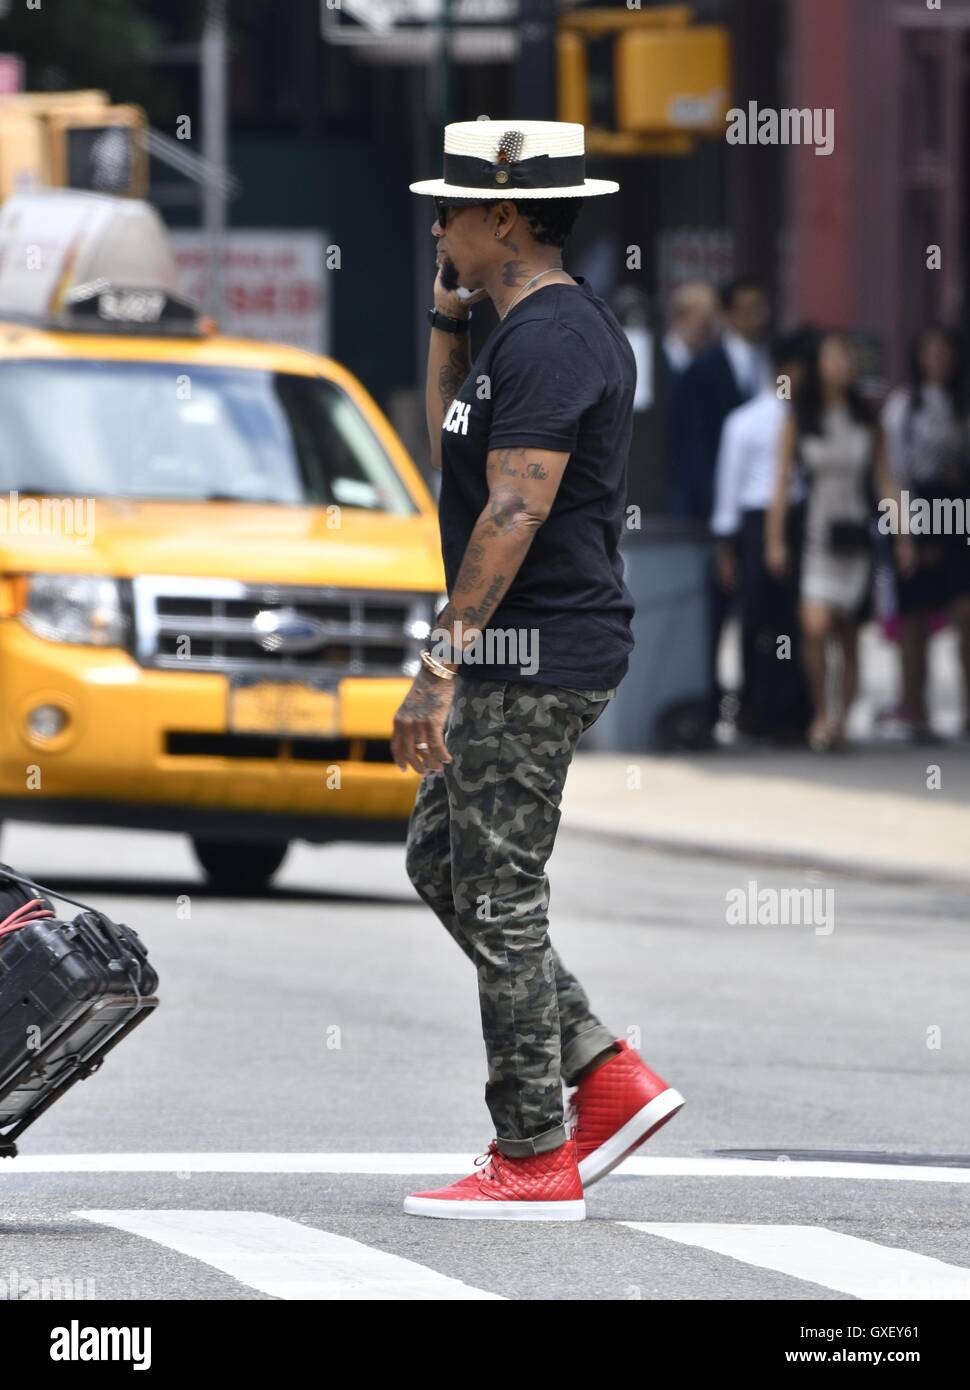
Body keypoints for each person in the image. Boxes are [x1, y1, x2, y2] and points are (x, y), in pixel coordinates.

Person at [397, 119, 685, 1220]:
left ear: (503, 215)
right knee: (442, 859)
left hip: (540, 648)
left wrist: (439, 663)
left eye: (450, 210)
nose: (437, 224)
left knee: (500, 889)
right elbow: (454, 455)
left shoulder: (559, 337)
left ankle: (533, 1152)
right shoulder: (508, 335)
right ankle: (606, 1072)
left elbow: (513, 508)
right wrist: (444, 314)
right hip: (519, 648)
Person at [766, 332, 913, 751]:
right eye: (833, 357)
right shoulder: (799, 418)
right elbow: (780, 483)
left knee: (849, 634)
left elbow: (884, 479)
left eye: (847, 357)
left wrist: (902, 533)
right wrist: (774, 540)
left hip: (856, 530)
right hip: (815, 530)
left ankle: (842, 720)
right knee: (814, 625)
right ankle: (820, 711)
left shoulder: (869, 419)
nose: (841, 365)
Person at [675, 277, 773, 728]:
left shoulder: (771, 364)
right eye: (748, 307)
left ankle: (757, 705)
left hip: (765, 508)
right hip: (718, 511)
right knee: (715, 614)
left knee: (761, 613)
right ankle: (712, 707)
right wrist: (715, 519)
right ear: (730, 315)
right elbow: (695, 449)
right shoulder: (704, 369)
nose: (759, 316)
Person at [710, 328, 816, 740]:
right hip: (755, 524)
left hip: (800, 519)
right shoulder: (747, 421)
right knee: (756, 622)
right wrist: (727, 548)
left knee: (793, 620)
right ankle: (756, 708)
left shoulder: (809, 419)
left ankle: (794, 711)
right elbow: (729, 487)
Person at [881, 326, 970, 740]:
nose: (937, 359)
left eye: (944, 351)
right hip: (918, 508)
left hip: (960, 510)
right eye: (929, 350)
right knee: (914, 615)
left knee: (964, 609)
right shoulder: (904, 406)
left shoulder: (961, 403)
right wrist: (903, 534)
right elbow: (894, 474)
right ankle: (914, 708)